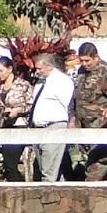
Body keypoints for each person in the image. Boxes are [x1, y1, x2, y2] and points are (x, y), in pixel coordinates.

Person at [71, 41, 107, 181]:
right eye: (81, 60)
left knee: (97, 167)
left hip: (99, 126)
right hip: (82, 128)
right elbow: (75, 98)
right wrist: (72, 118)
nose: (84, 64)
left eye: (87, 60)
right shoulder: (81, 72)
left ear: (96, 57)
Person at [29, 52, 75, 182]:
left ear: (49, 66)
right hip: (38, 128)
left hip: (53, 126)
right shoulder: (40, 82)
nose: (37, 72)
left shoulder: (62, 81)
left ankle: (47, 198)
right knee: (43, 167)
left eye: (39, 68)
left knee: (49, 170)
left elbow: (67, 103)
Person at [0, 55, 34, 182]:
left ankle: (22, 188)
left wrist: (18, 111)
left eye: (1, 70)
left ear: (9, 69)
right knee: (6, 165)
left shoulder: (23, 85)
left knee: (10, 164)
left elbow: (30, 105)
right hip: (4, 127)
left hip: (19, 127)